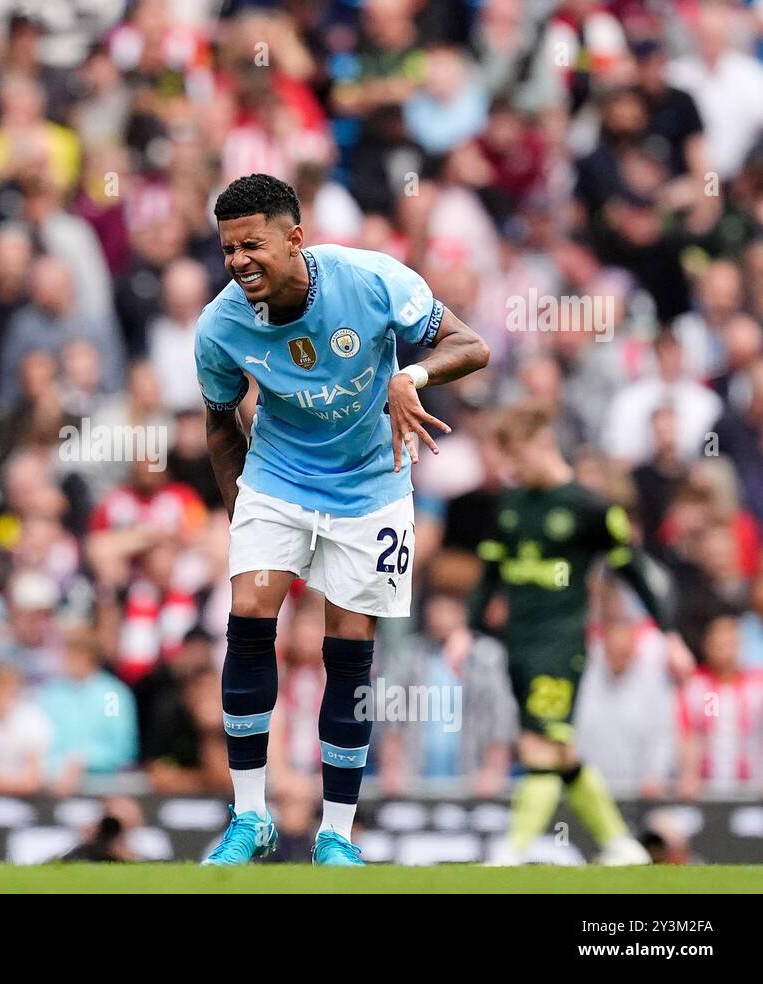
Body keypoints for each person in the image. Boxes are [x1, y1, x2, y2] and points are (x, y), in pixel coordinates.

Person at [193, 173, 490, 865]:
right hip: (277, 477)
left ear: (295, 238)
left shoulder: (373, 280)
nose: (239, 262)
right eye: (229, 250)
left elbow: (471, 345)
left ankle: (336, 834)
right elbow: (218, 423)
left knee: (348, 646)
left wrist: (409, 377)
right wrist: (246, 516)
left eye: (252, 246)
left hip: (371, 486)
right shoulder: (221, 324)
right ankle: (249, 818)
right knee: (249, 611)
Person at [472, 403, 693, 866]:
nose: (512, 468)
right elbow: (490, 577)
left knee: (537, 743)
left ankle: (512, 850)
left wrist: (669, 634)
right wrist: (466, 632)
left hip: (563, 640)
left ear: (543, 444)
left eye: (518, 457)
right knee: (560, 749)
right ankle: (620, 844)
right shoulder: (509, 507)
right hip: (519, 644)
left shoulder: (591, 509)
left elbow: (636, 574)